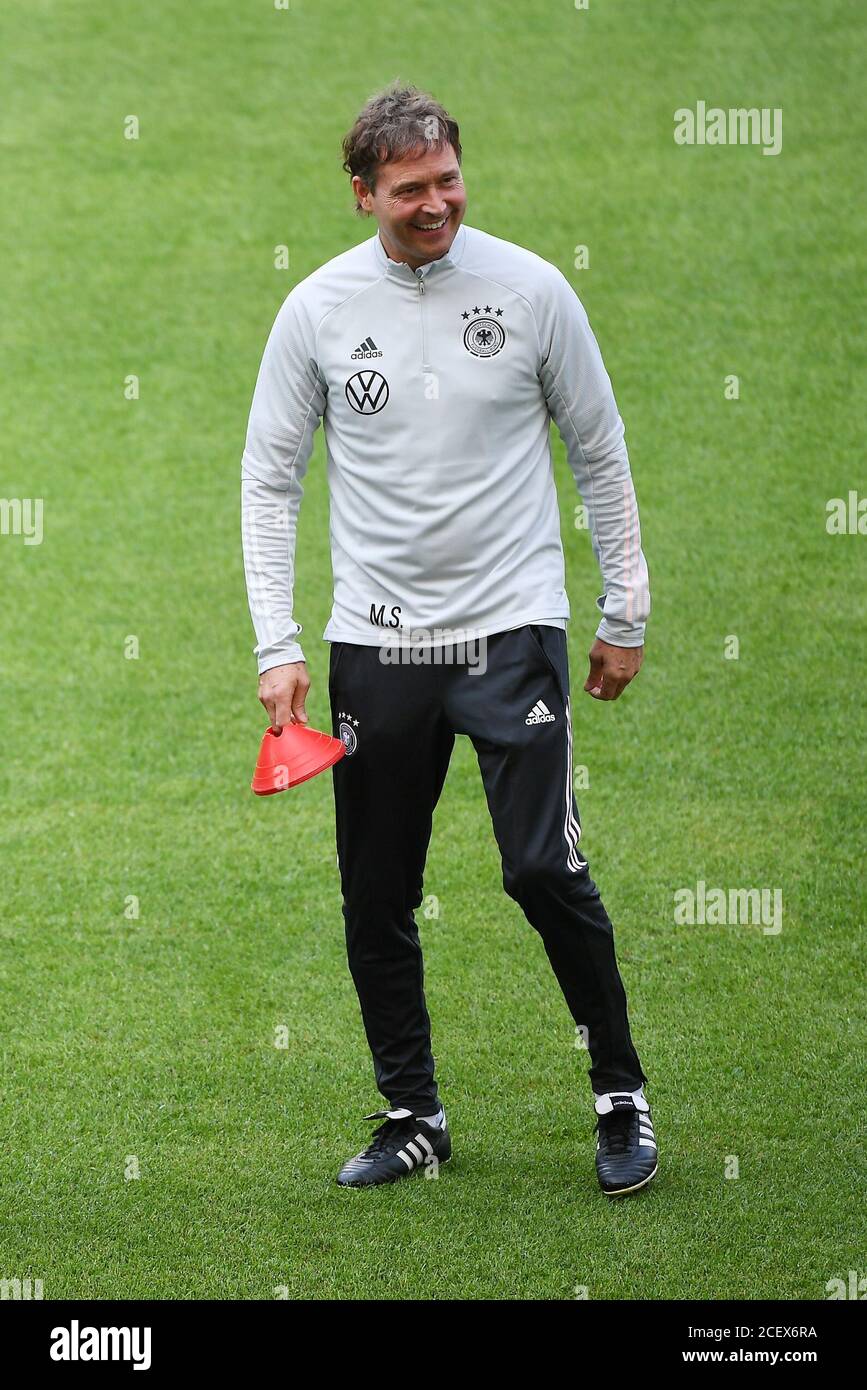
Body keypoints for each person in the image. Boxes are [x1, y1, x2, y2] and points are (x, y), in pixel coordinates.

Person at [240, 82, 657, 1197]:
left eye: (449, 181)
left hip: (511, 631)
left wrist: (626, 610)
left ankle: (619, 1090)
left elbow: (599, 449)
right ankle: (412, 1111)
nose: (437, 205)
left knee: (540, 866)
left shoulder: (532, 291)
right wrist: (276, 642)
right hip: (375, 644)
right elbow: (270, 478)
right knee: (376, 890)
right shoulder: (318, 309)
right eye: (412, 188)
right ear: (365, 190)